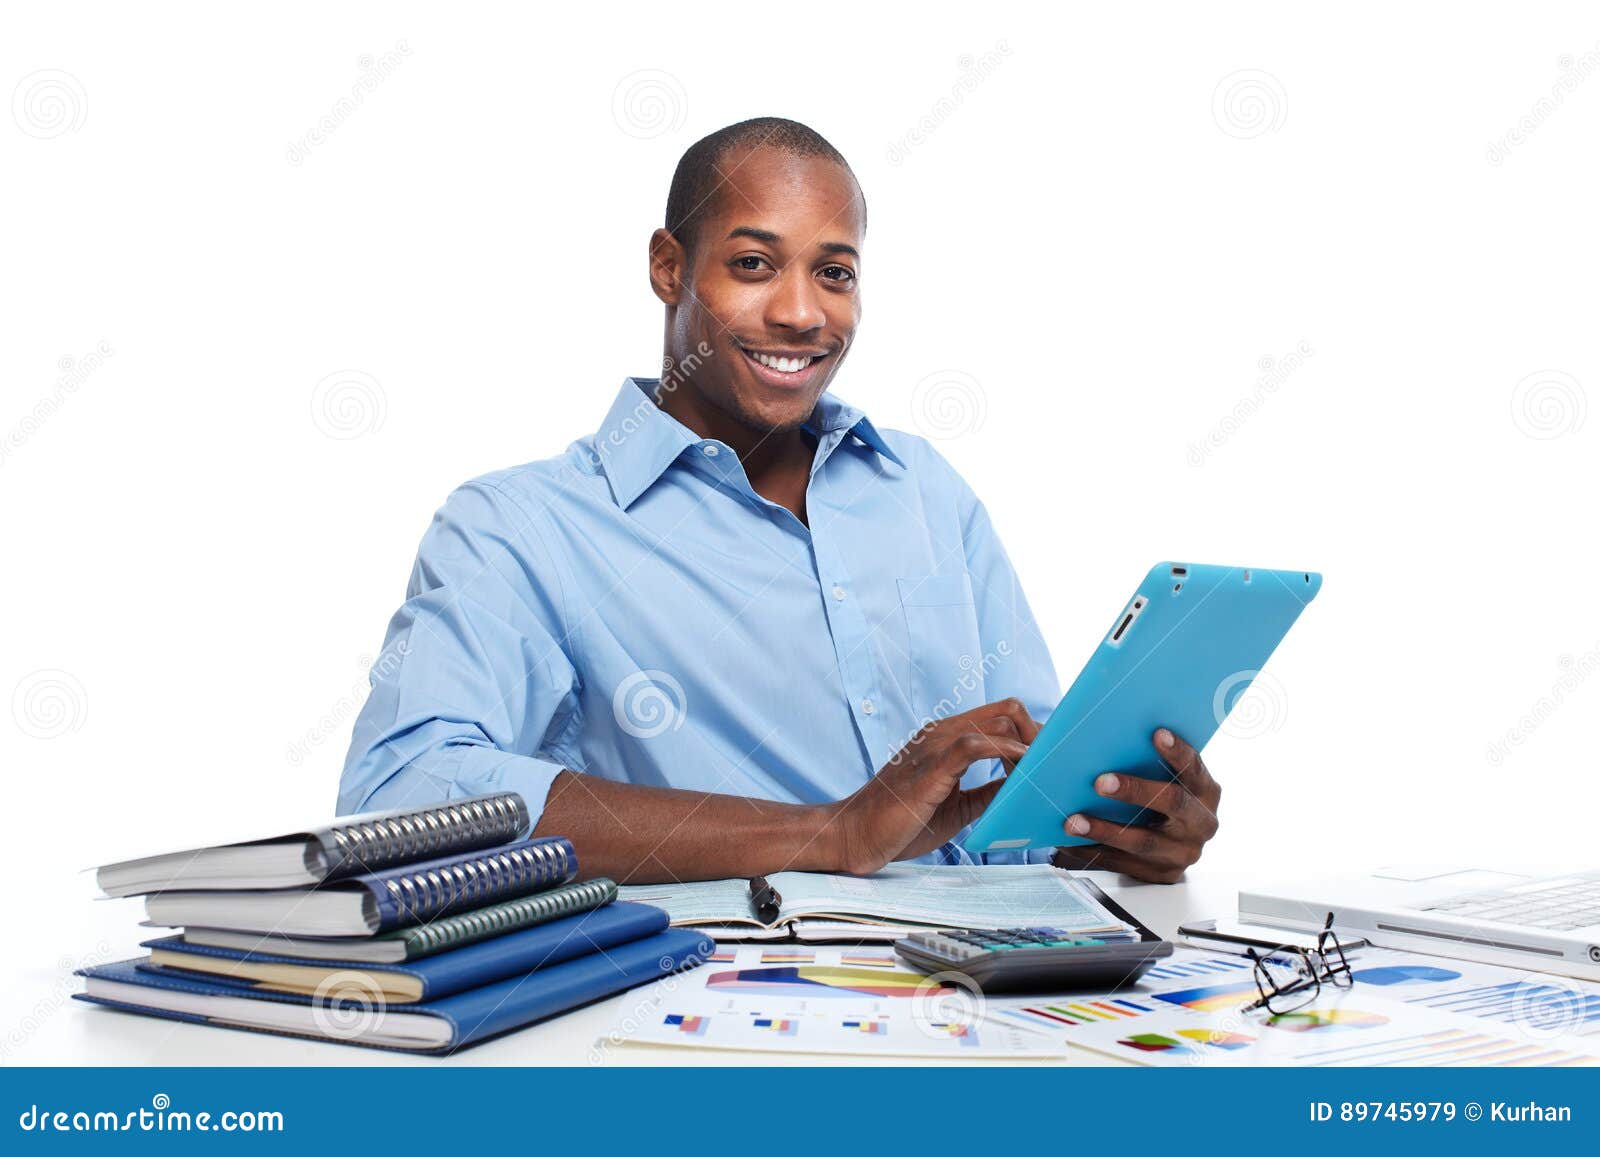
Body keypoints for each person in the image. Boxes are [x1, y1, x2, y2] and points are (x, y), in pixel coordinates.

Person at [338, 117, 1221, 884]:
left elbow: (1018, 803)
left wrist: (1112, 828)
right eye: (755, 264)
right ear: (668, 267)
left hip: (990, 992)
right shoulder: (521, 529)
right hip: (728, 1006)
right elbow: (401, 792)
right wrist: (833, 831)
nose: (802, 313)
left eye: (835, 273)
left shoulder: (924, 490)